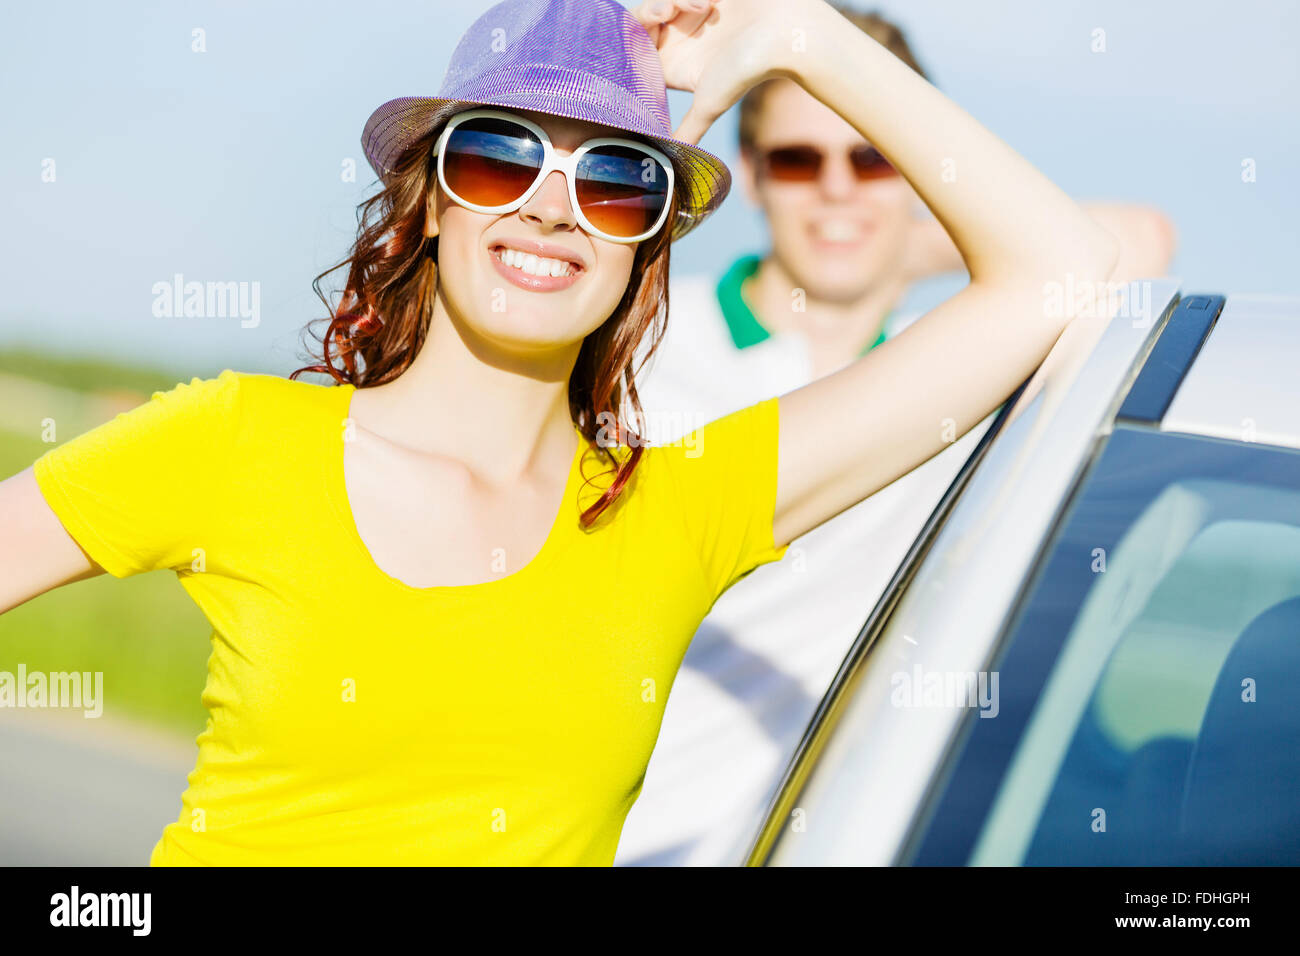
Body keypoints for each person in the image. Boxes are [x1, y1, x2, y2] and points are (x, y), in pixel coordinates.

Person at [0, 0, 1122, 866]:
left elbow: (1055, 273)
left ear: (645, 243)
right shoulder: (232, 439)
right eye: (501, 155)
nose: (549, 205)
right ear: (429, 197)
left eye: (617, 179)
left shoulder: (677, 505)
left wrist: (802, 36)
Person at [614, 7, 1176, 866]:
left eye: (871, 159)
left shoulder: (963, 379)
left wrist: (889, 252)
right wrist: (862, 235)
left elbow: (1136, 243)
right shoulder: (640, 349)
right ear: (753, 178)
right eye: (800, 162)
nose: (837, 188)